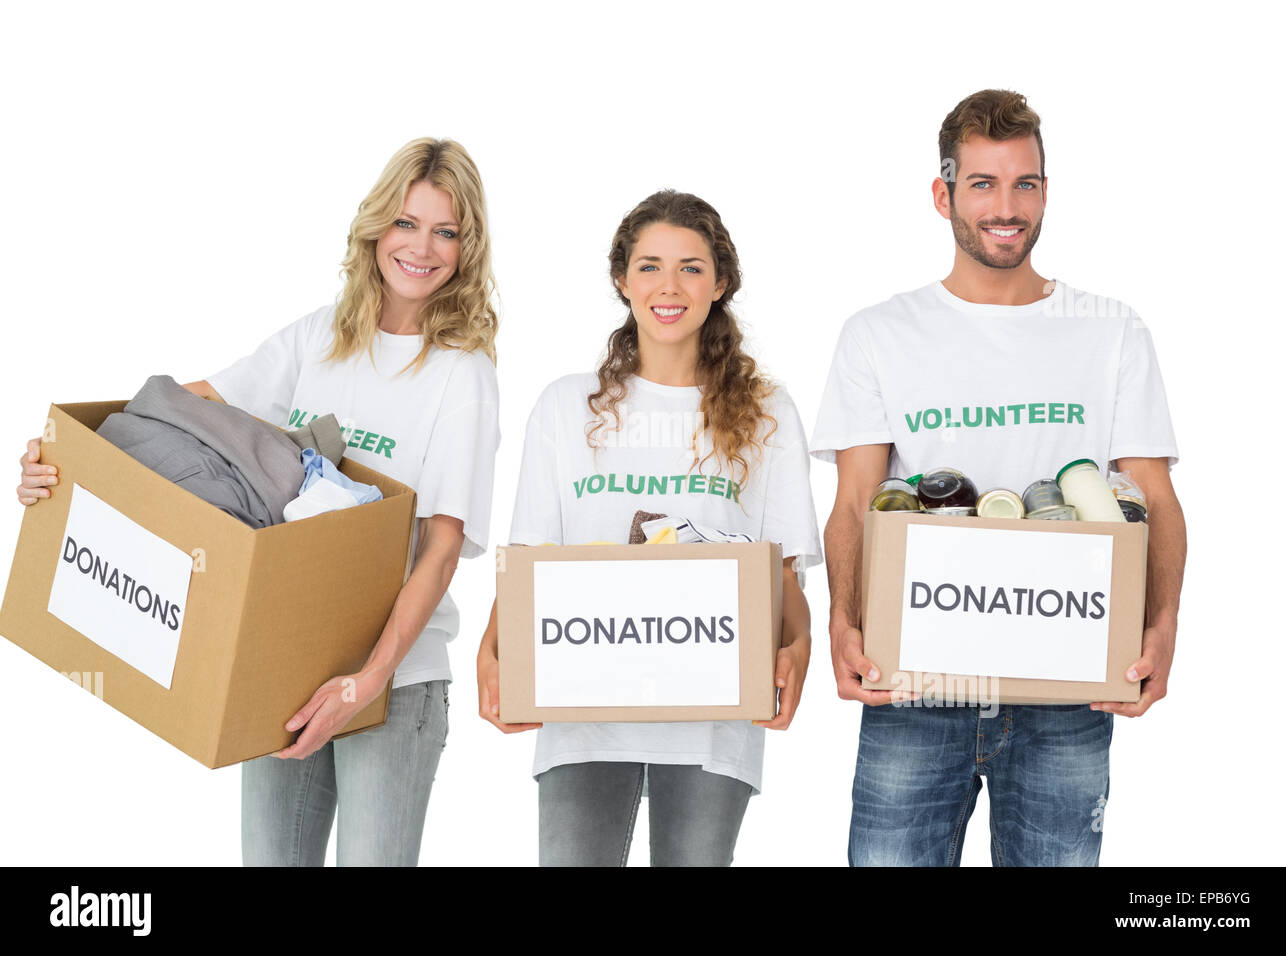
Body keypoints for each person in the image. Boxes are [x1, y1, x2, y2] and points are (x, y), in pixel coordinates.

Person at [17, 138, 501, 867]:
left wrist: (366, 680)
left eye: (446, 231)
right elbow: (187, 412)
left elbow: (438, 550)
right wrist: (66, 460)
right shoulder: (323, 336)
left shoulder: (462, 374)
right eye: (407, 223)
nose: (422, 248)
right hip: (285, 665)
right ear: (376, 227)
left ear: (468, 248)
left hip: (395, 684)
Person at [811, 90, 1186, 867]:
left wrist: (1162, 625)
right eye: (982, 183)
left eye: (1025, 184)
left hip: (1069, 686)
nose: (1006, 207)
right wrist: (842, 618)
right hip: (914, 681)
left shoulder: (1110, 330)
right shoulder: (879, 334)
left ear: (1047, 191)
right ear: (943, 194)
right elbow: (853, 503)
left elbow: (1154, 497)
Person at [476, 190, 821, 867]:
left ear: (720, 283)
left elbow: (782, 574)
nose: (670, 286)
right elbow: (529, 562)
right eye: (650, 266)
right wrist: (492, 653)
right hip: (583, 716)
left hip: (713, 722)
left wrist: (799, 646)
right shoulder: (564, 407)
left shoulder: (766, 412)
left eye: (692, 268)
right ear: (620, 279)